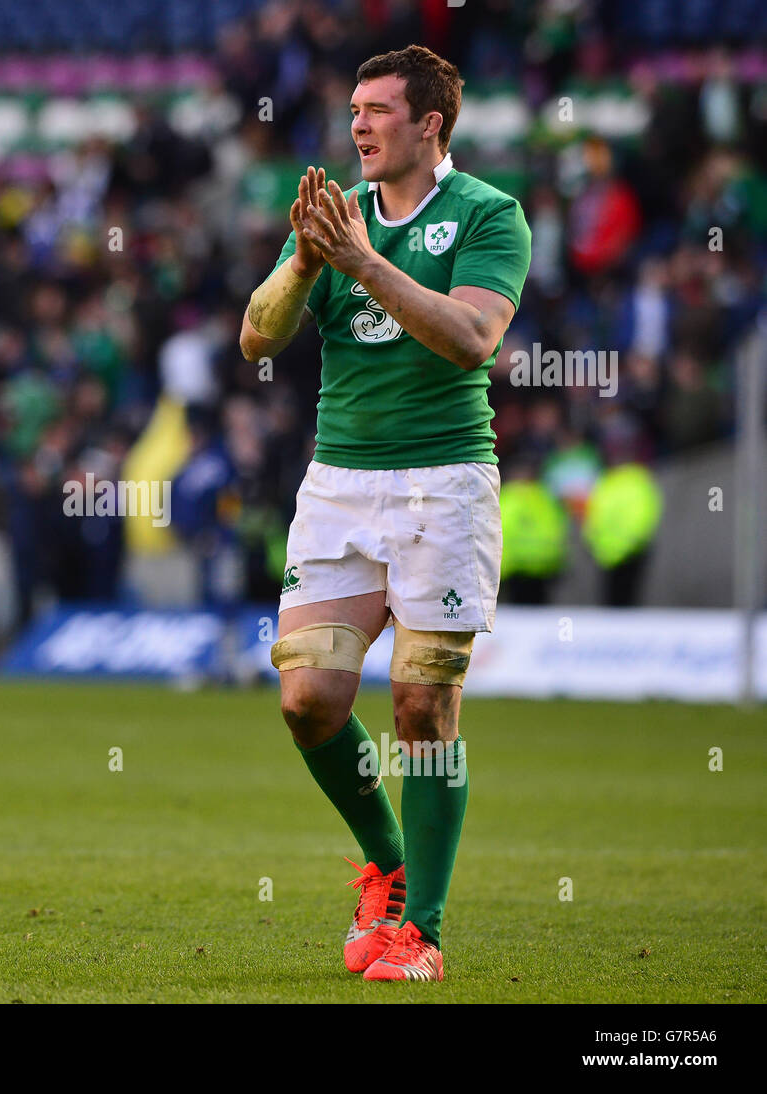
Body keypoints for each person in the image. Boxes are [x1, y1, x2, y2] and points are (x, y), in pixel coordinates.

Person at [240, 45, 530, 981]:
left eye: (378, 110)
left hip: (443, 487)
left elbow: (471, 338)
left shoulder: (488, 215)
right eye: (354, 109)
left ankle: (425, 935)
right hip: (339, 487)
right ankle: (389, 862)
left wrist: (361, 265)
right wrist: (305, 265)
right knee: (308, 699)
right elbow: (257, 336)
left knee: (421, 709)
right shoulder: (333, 218)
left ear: (430, 125)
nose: (358, 124)